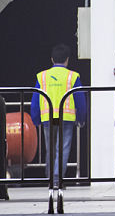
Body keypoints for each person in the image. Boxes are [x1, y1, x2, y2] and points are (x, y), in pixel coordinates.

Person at [30, 43, 87, 187]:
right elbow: (80, 99)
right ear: (67, 59)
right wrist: (81, 118)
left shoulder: (42, 76)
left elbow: (35, 99)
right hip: (66, 119)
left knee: (50, 148)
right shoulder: (72, 76)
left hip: (48, 119)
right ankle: (57, 179)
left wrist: (35, 118)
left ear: (52, 59)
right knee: (63, 148)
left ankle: (50, 177)